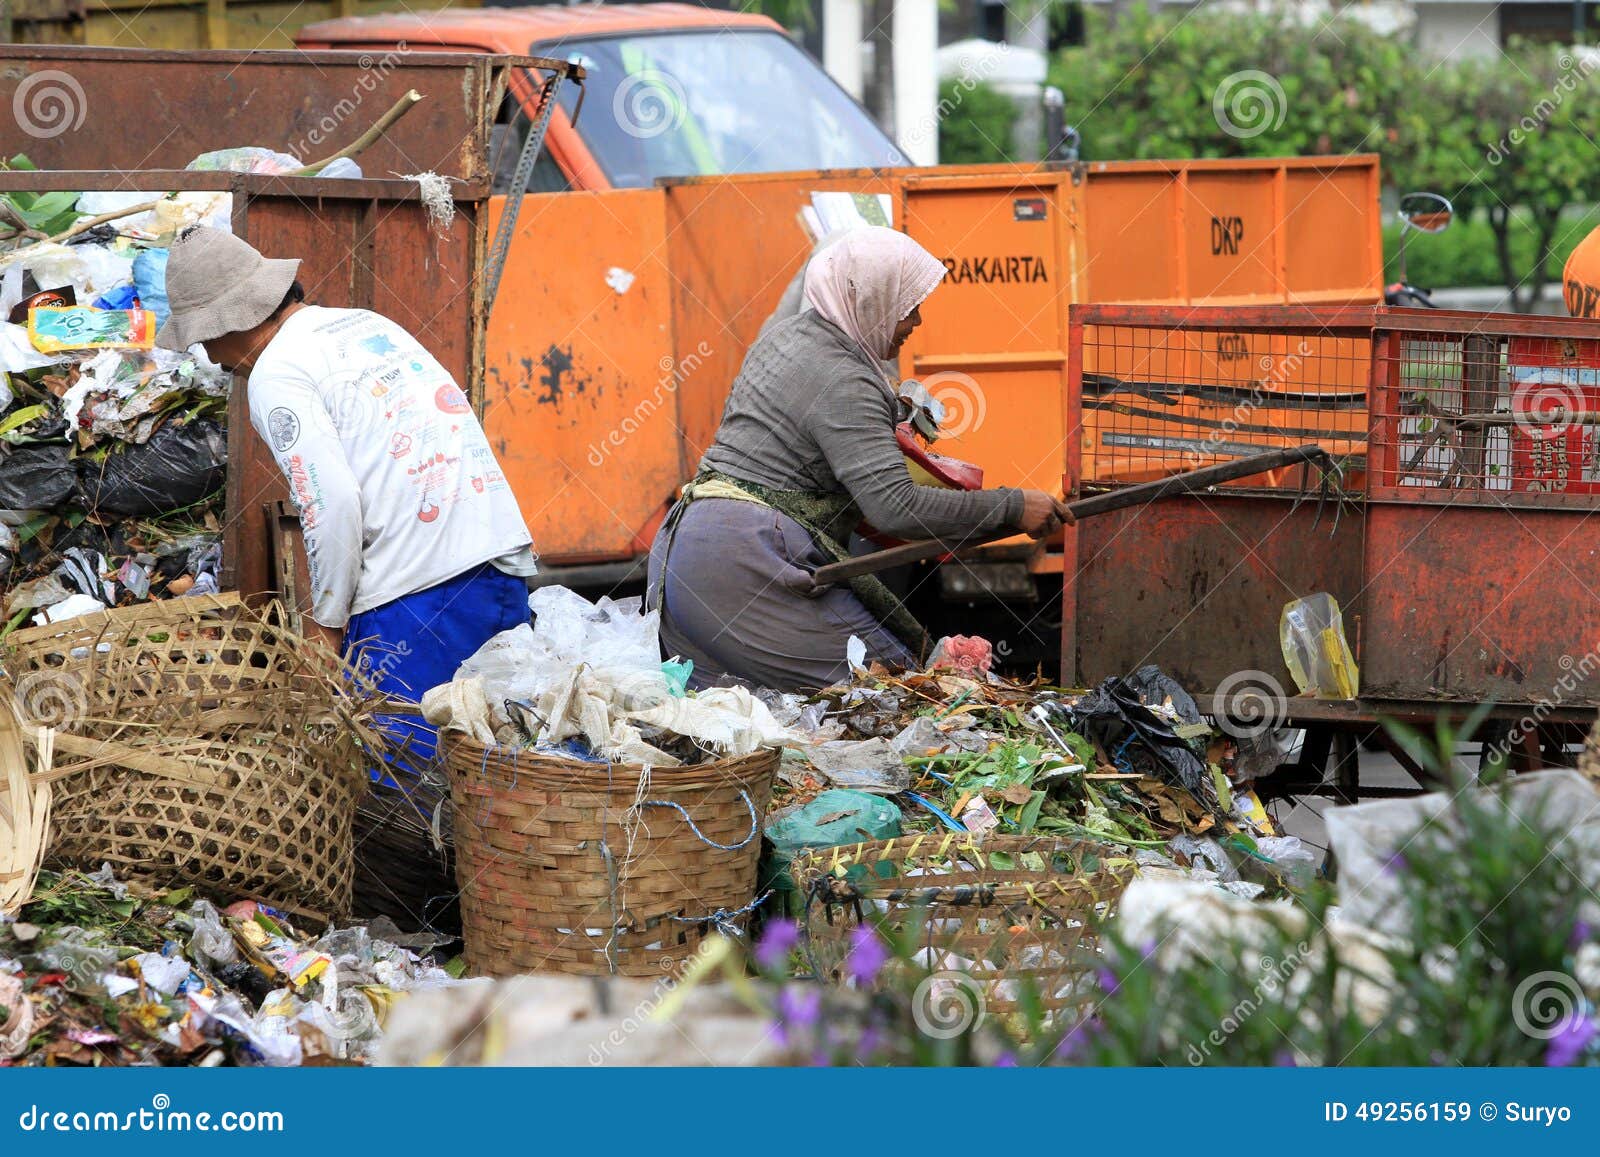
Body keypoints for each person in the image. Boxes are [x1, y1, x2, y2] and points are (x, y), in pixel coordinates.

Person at [156, 226, 538, 766]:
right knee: (510, 766)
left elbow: (331, 505)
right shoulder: (363, 324)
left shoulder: (275, 375)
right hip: (497, 563)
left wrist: (324, 628)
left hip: (418, 594)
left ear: (231, 321)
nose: (213, 358)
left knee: (406, 784)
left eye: (204, 338)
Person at [647, 226, 1070, 691]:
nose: (916, 322)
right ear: (871, 301)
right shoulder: (846, 378)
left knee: (773, 727)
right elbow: (895, 507)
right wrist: (1014, 507)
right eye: (908, 308)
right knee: (908, 692)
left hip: (683, 557)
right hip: (744, 572)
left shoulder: (786, 339)